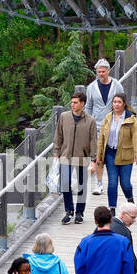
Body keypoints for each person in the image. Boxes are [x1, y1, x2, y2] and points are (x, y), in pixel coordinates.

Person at [93, 92, 137, 211]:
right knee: (112, 182)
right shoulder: (108, 118)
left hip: (125, 154)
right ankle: (112, 208)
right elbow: (101, 139)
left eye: (119, 102)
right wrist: (98, 156)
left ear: (124, 104)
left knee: (125, 183)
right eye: (115, 102)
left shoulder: (131, 119)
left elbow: (136, 137)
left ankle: (130, 198)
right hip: (110, 154)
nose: (117, 104)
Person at [54, 89, 96, 224]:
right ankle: (69, 211)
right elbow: (58, 136)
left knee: (82, 185)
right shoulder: (64, 117)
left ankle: (79, 212)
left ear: (82, 103)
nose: (72, 105)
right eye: (71, 102)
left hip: (82, 156)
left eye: (75, 102)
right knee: (65, 184)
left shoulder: (90, 120)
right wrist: (56, 153)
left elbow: (93, 140)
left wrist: (94, 159)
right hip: (66, 155)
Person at [87, 59, 124, 196]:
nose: (101, 74)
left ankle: (114, 181)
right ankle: (99, 183)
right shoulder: (91, 87)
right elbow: (88, 107)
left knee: (112, 155)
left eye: (103, 71)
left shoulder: (116, 85)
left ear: (108, 71)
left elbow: (123, 102)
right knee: (99, 155)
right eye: (99, 72)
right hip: (96, 126)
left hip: (114, 126)